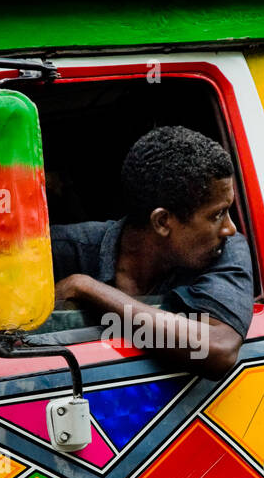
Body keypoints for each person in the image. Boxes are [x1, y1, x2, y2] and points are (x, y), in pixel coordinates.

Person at [51, 126, 253, 378]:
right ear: (162, 222)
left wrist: (85, 288)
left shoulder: (226, 247)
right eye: (218, 214)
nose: (230, 228)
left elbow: (218, 349)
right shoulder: (58, 252)